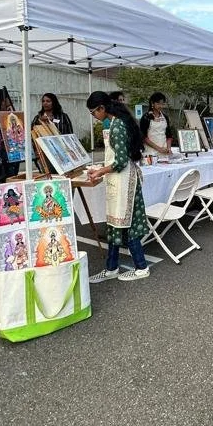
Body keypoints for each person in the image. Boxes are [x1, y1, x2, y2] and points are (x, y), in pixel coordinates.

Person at [85, 91, 152, 283]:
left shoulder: (117, 126)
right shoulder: (116, 122)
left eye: (93, 112)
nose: (93, 116)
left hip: (124, 180)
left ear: (102, 108)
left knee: (126, 223)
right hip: (118, 179)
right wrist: (102, 169)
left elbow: (121, 161)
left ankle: (141, 267)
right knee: (115, 224)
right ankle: (111, 268)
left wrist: (100, 171)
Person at [139, 91, 174, 157]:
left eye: (162, 104)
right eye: (158, 103)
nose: (161, 106)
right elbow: (143, 137)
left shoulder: (165, 117)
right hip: (151, 153)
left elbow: (169, 135)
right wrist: (159, 149)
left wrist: (169, 148)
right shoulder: (146, 117)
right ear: (152, 103)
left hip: (164, 151)